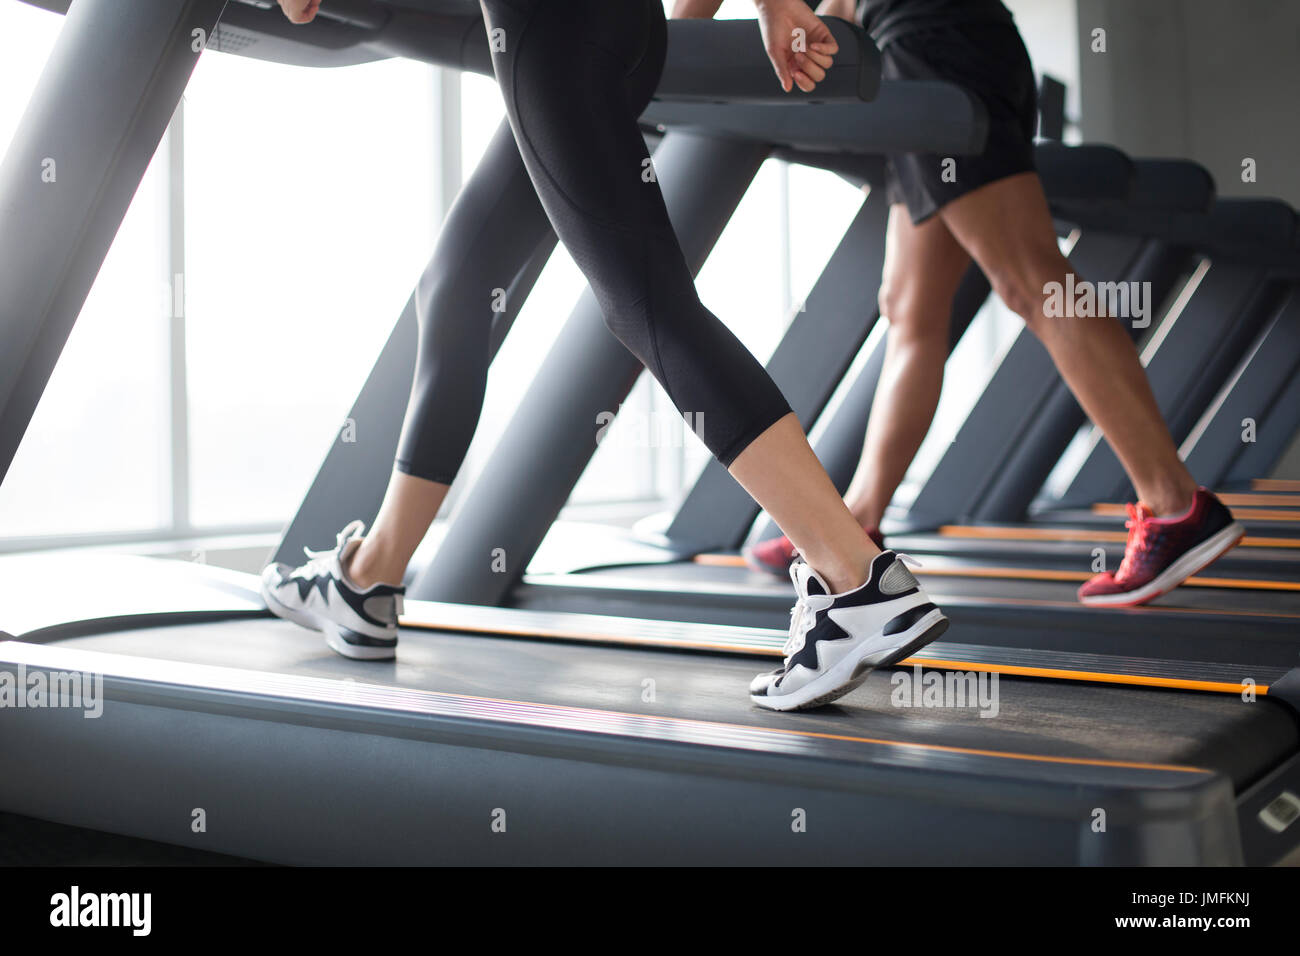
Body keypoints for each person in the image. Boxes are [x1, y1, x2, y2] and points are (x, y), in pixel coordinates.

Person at [260, 0, 949, 712]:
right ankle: (370, 581)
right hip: (623, 29)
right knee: (460, 282)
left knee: (648, 307)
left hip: (552, 26)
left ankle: (856, 579)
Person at [730, 0, 1244, 607]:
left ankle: (1173, 504)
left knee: (1033, 280)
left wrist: (678, 48)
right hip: (932, 50)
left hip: (934, 53)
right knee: (909, 308)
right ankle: (859, 522)